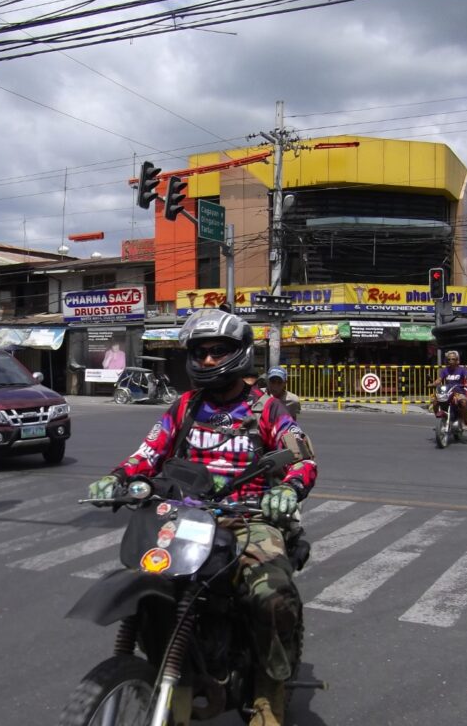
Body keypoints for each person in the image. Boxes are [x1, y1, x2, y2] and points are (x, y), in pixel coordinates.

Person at [87, 308, 318, 726]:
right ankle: (171, 666)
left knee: (271, 594)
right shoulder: (185, 406)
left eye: (218, 351)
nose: (209, 359)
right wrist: (117, 477)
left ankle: (268, 691)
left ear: (240, 353)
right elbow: (149, 451)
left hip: (248, 517)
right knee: (148, 582)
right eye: (201, 352)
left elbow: (301, 457)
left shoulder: (265, 408)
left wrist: (287, 490)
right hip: (182, 516)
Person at [429, 350, 467, 428]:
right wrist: (433, 384)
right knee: (435, 402)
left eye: (453, 359)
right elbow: (439, 380)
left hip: (459, 392)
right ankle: (440, 420)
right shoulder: (444, 370)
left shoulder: (462, 369)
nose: (450, 361)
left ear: (457, 360)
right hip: (447, 392)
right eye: (448, 359)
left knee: (465, 403)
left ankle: (465, 420)